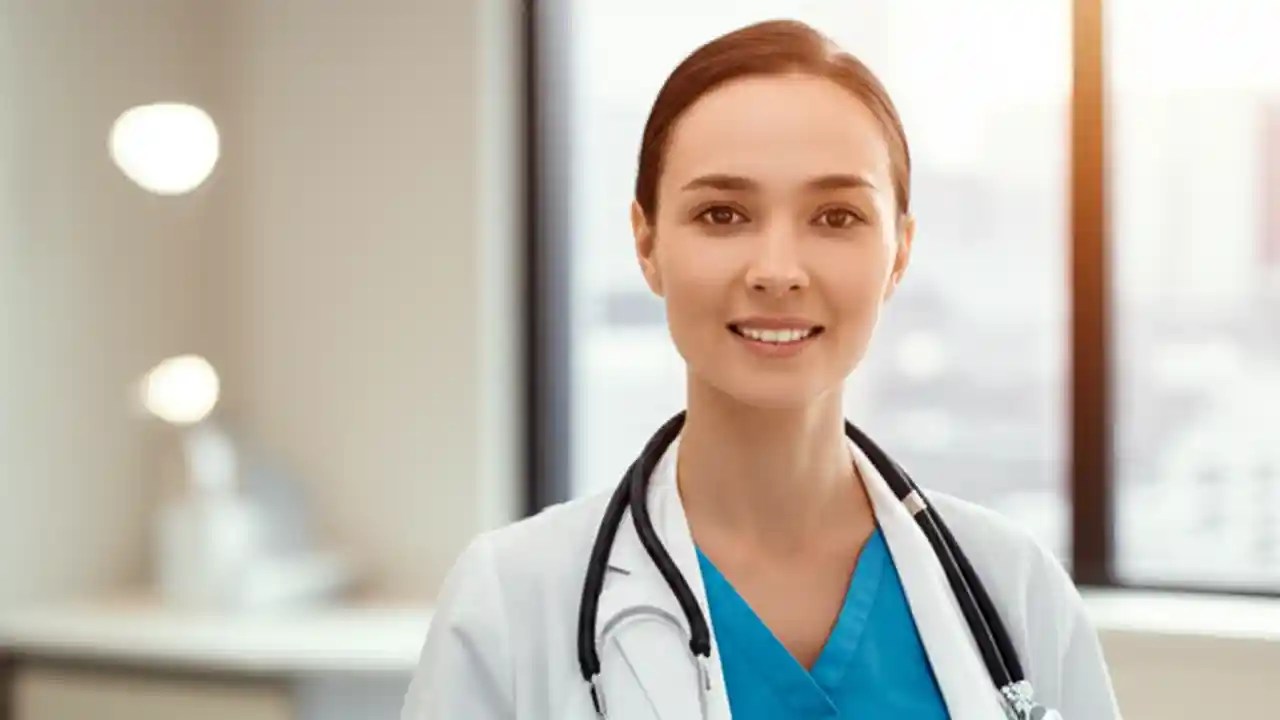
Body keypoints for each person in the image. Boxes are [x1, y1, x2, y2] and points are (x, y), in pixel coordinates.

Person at [402, 19, 1121, 720]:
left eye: (836, 217)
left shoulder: (1014, 591)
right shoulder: (511, 603)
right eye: (722, 214)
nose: (778, 272)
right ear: (646, 244)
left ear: (899, 253)